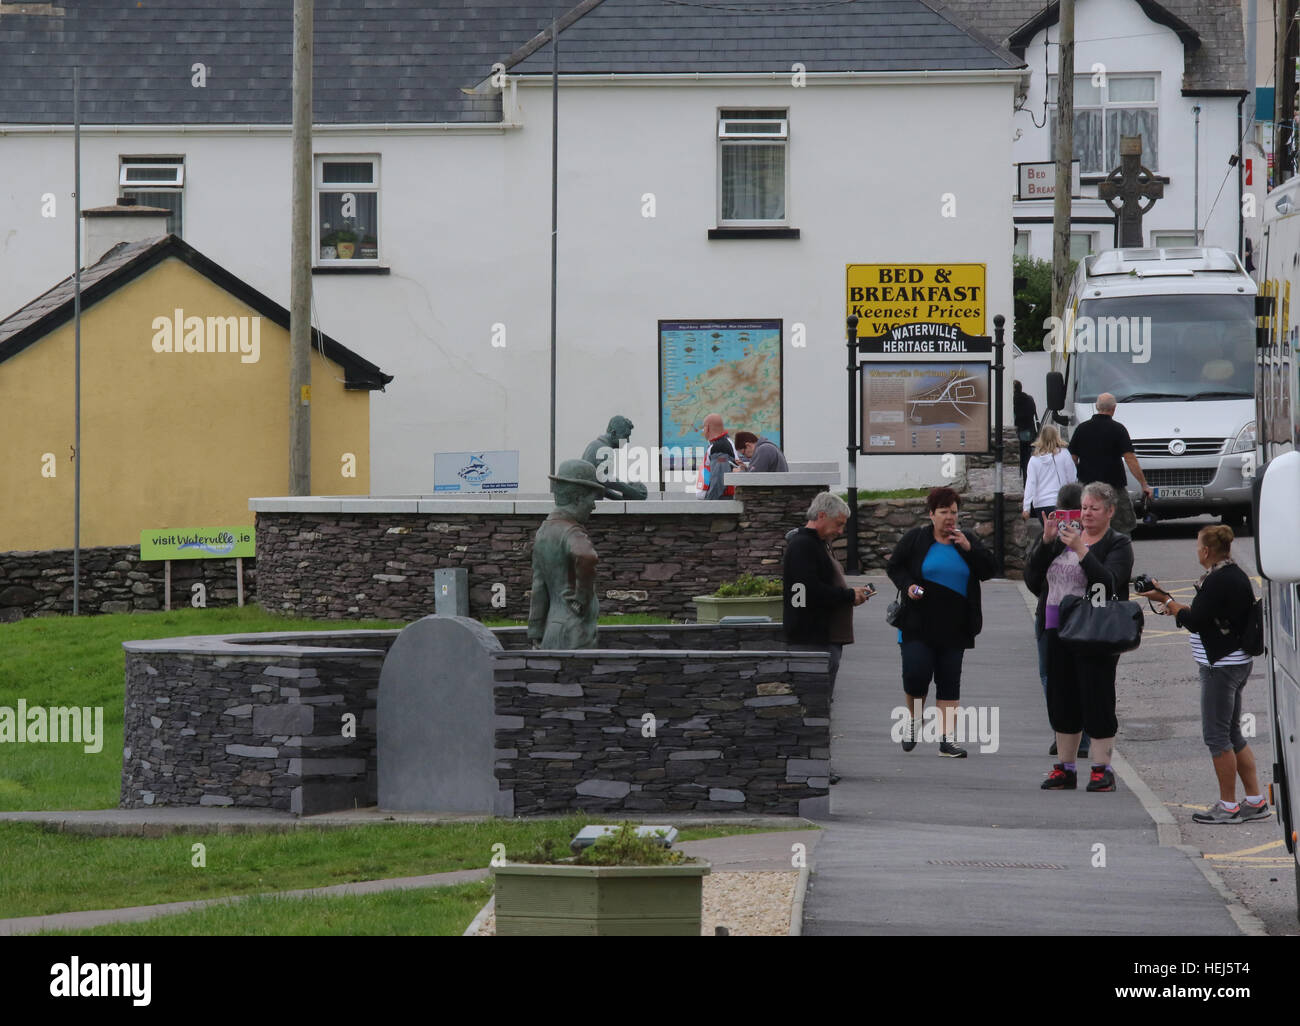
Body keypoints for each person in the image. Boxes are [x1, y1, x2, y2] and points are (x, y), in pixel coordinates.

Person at [1137, 526, 1270, 824]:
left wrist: (1166, 601)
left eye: (1198, 546)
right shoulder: (1232, 574)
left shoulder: (1218, 580)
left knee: (1217, 736)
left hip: (1220, 667)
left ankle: (1228, 806)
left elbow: (1195, 621)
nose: (1197, 550)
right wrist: (1167, 598)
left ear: (1207, 551)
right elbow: (1208, 615)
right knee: (1233, 733)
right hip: (1236, 662)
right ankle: (1255, 801)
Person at [1024, 481, 1134, 792]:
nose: (1086, 513)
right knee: (1062, 698)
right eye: (1084, 507)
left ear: (1110, 512)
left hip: (1093, 632)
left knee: (1097, 697)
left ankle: (1102, 769)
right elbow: (1034, 581)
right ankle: (1066, 767)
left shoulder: (1118, 543)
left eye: (1094, 508)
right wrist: (1045, 543)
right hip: (1056, 627)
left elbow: (1107, 585)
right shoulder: (1062, 538)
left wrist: (1082, 550)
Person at [886, 486, 997, 757]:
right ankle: (913, 721)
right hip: (917, 623)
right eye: (944, 512)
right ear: (931, 514)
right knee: (916, 675)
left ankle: (947, 740)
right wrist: (909, 585)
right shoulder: (916, 539)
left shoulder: (966, 540)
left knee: (949, 681)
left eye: (954, 512)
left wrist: (970, 549)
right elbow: (894, 567)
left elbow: (988, 570)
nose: (950, 517)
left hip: (956, 625)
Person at [784, 492, 872, 785]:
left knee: (820, 704)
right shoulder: (803, 547)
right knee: (815, 705)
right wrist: (848, 595)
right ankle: (813, 765)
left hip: (823, 637)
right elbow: (805, 594)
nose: (840, 531)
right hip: (814, 639)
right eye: (838, 524)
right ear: (821, 516)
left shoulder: (814, 545)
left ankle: (817, 762)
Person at [1028, 481, 1090, 759]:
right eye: (1063, 515)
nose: (1070, 522)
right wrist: (1046, 542)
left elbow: (1107, 579)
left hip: (1084, 618)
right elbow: (1032, 580)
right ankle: (1062, 732)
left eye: (1075, 516)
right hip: (1050, 618)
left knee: (1082, 678)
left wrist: (1079, 545)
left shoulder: (1095, 539)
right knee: (1049, 677)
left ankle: (1085, 737)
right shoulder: (1051, 537)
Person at [527, 459, 608, 649]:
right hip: (575, 631)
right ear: (578, 498)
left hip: (552, 631)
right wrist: (581, 599)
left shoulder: (544, 532)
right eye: (592, 499)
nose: (593, 506)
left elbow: (539, 587)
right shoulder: (572, 532)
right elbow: (587, 557)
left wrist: (536, 630)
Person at [1067, 392, 1153, 535]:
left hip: (1088, 487)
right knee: (1122, 527)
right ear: (1114, 408)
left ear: (1096, 407)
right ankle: (1120, 554)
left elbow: (1072, 459)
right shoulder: (1118, 429)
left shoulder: (1082, 429)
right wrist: (1144, 484)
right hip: (1114, 487)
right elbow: (1130, 459)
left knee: (1089, 526)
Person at [581, 415, 649, 501]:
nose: (628, 441)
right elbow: (605, 479)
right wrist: (633, 492)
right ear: (613, 433)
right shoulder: (604, 449)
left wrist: (620, 499)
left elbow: (598, 486)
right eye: (626, 436)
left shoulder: (595, 445)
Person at [1021, 423, 1077, 520]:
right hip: (1061, 502)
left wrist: (1026, 508)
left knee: (1048, 532)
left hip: (1041, 504)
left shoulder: (1034, 459)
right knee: (1064, 533)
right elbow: (1072, 478)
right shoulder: (1064, 454)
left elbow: (1030, 483)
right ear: (1057, 436)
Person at [697, 413, 739, 499]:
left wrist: (711, 502)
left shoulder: (719, 447)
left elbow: (719, 477)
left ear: (707, 428)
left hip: (721, 500)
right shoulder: (725, 443)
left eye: (703, 428)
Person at [1013, 380, 1038, 480]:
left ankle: (1024, 479)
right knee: (1027, 459)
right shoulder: (1029, 399)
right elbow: (1033, 413)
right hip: (1029, 432)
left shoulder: (1013, 400)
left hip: (1019, 432)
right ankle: (1026, 480)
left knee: (1021, 460)